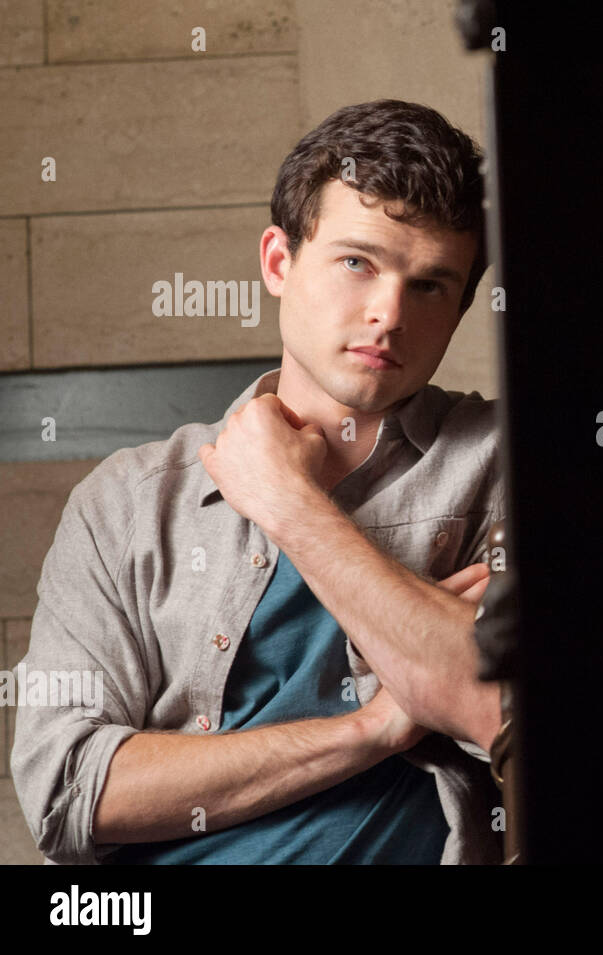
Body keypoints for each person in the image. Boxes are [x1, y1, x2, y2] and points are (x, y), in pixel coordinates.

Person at [12, 100, 505, 864]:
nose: (388, 313)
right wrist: (372, 726)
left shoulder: (505, 468)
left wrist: (291, 501)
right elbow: (70, 789)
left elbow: (506, 711)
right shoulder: (130, 502)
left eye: (432, 285)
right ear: (279, 262)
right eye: (357, 262)